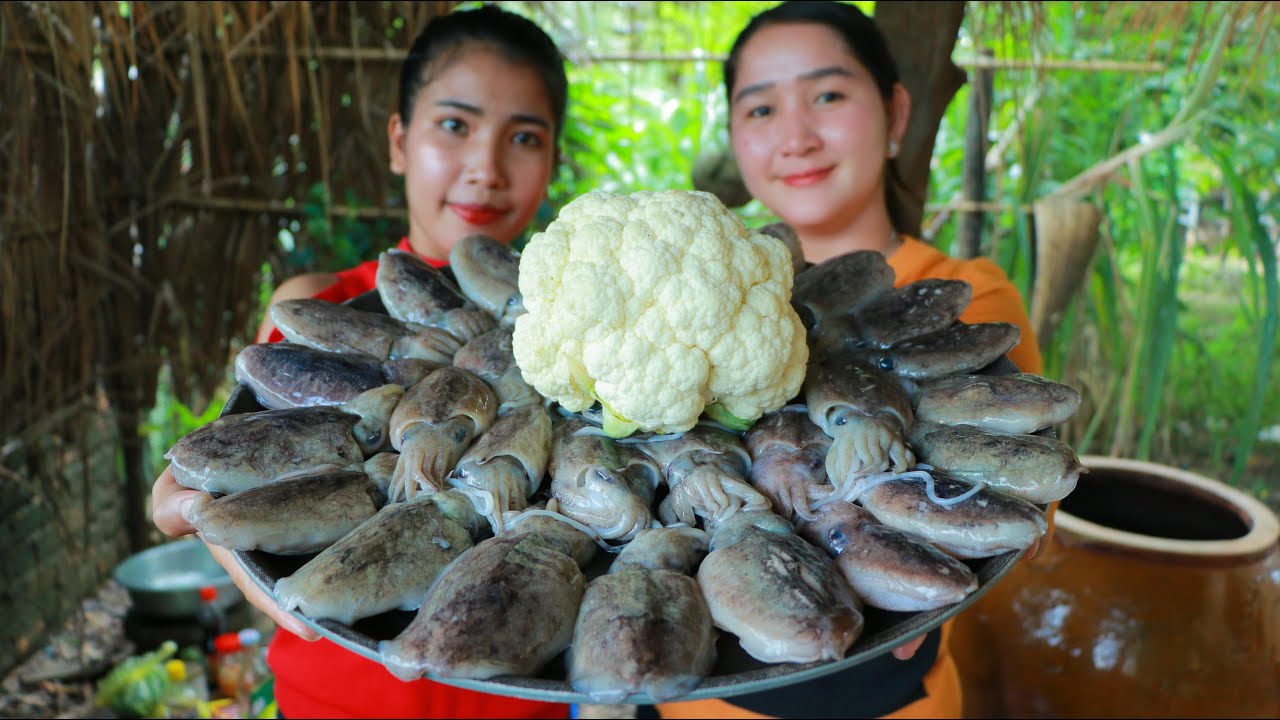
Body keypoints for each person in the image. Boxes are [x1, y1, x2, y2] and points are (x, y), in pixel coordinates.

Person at [151, 6, 571, 719]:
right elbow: (175, 495)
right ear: (400, 141)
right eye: (455, 125)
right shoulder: (320, 308)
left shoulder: (570, 329)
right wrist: (223, 531)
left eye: (523, 137)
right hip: (333, 698)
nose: (486, 168)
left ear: (553, 159)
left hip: (518, 697)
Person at [644, 2, 1044, 719]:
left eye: (827, 95)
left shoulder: (967, 301)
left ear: (894, 113)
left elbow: (1021, 512)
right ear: (735, 132)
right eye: (761, 109)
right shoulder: (688, 302)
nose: (795, 137)